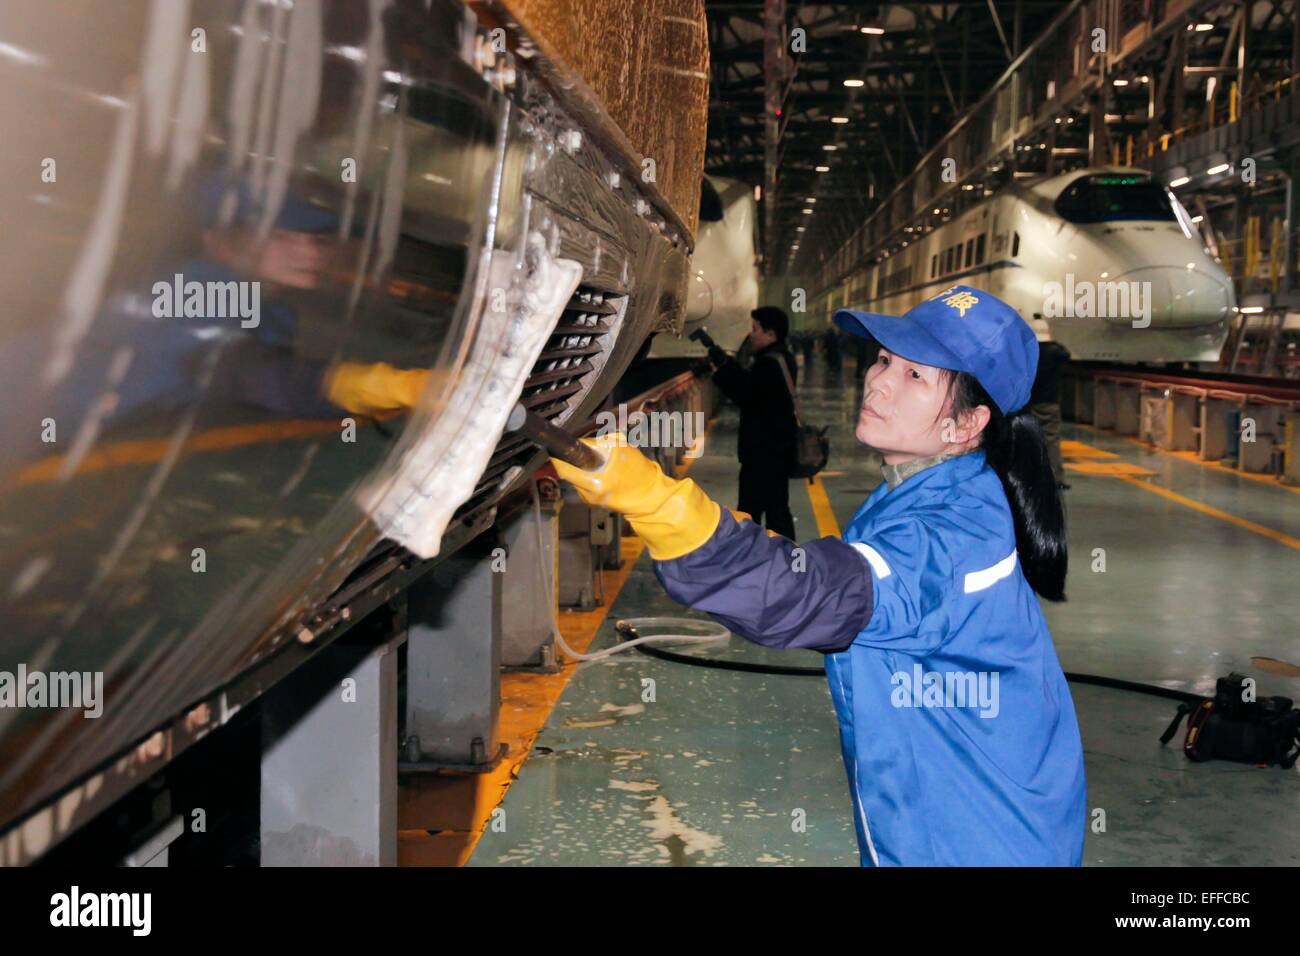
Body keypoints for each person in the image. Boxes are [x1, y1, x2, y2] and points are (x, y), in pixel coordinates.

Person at [553, 284, 1086, 866]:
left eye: (915, 377)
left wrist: (660, 505)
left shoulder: (955, 531)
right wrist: (743, 538)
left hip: (978, 838)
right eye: (884, 360)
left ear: (966, 424)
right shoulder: (923, 489)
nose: (879, 380)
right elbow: (832, 572)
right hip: (949, 811)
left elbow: (816, 595)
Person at [705, 306, 798, 539]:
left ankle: (750, 559)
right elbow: (754, 388)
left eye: (756, 329)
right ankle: (786, 559)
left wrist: (720, 372)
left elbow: (746, 394)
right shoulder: (780, 358)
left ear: (770, 334)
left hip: (762, 452)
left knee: (750, 511)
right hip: (778, 450)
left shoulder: (768, 364)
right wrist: (728, 365)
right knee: (777, 509)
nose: (752, 334)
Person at [1030, 339, 1072, 489]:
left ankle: (1030, 477)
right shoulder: (1055, 352)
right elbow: (1067, 355)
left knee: (1028, 439)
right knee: (1051, 439)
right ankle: (1056, 478)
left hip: (1027, 401)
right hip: (1048, 402)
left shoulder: (1026, 348)